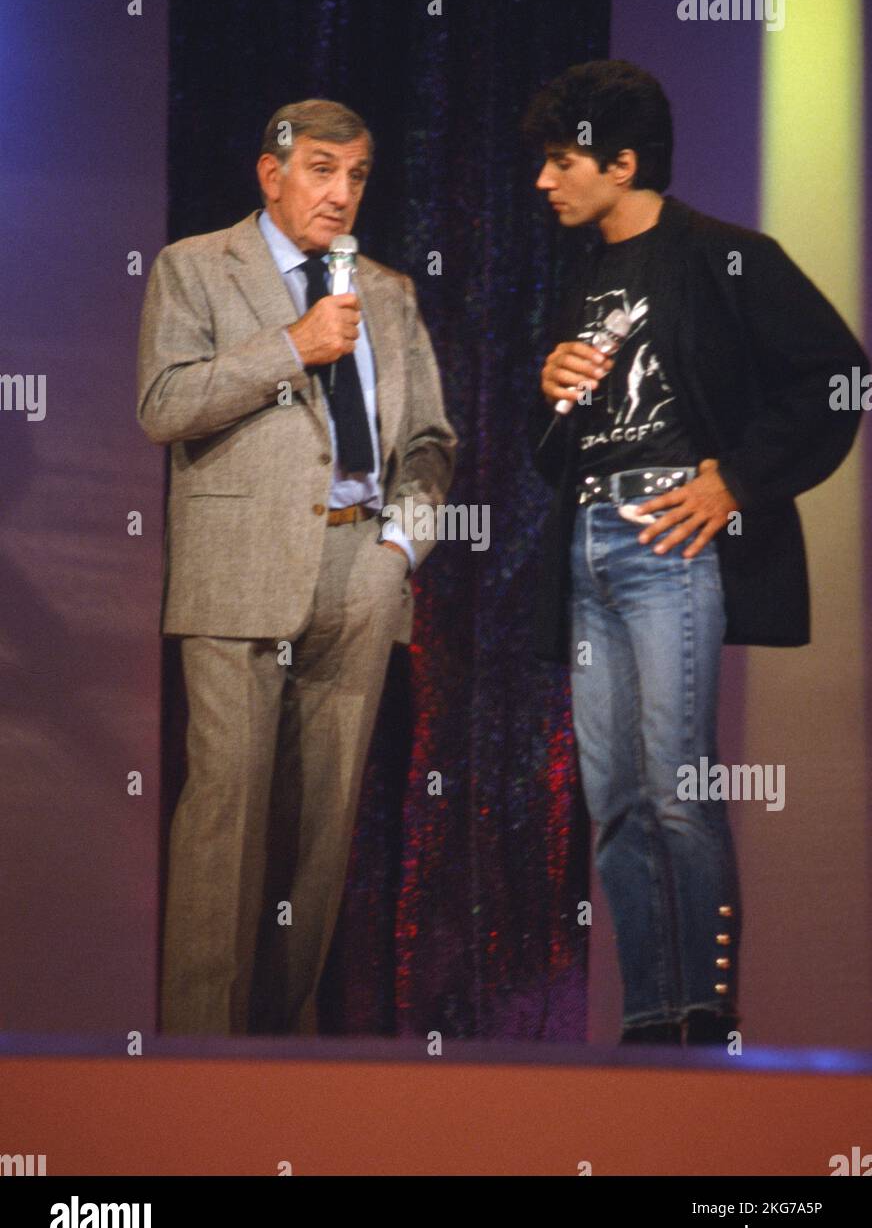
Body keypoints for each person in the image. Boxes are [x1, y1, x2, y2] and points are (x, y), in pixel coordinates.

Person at [524, 60, 868, 1046]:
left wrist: (734, 482)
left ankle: (705, 1012)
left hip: (664, 540)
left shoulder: (725, 255)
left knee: (679, 787)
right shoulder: (581, 275)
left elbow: (839, 378)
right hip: (586, 539)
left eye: (561, 160)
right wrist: (547, 390)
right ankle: (649, 1016)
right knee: (615, 798)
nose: (544, 182)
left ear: (621, 161)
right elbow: (549, 451)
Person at [137, 98, 456, 1036]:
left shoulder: (389, 291)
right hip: (238, 569)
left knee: (320, 831)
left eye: (356, 174)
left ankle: (283, 1058)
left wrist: (400, 547)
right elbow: (163, 404)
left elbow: (431, 440)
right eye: (322, 169)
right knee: (225, 819)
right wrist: (292, 347)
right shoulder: (196, 266)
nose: (341, 192)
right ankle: (198, 1060)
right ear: (271, 174)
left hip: (359, 567)